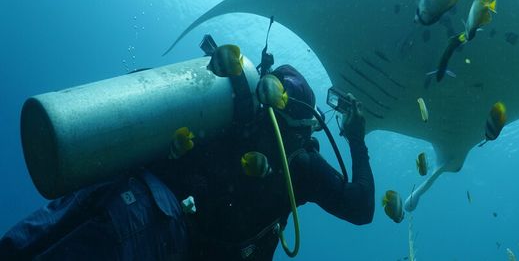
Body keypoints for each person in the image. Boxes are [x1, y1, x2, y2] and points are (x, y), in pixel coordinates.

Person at [0, 64, 375, 260]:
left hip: (117, 182)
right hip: (155, 226)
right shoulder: (300, 161)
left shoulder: (234, 112)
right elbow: (361, 207)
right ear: (302, 120)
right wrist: (356, 138)